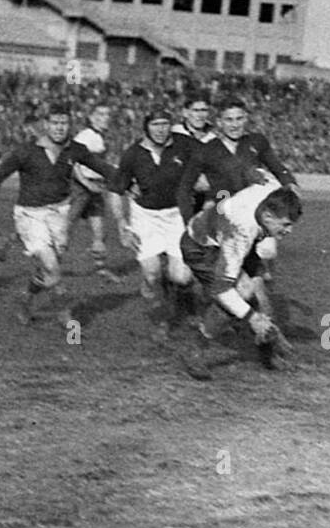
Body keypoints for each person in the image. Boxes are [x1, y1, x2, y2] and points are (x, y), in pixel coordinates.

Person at [0, 105, 118, 328]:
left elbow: (102, 167)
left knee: (50, 267)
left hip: (60, 214)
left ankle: (25, 298)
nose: (59, 128)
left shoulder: (75, 149)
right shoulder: (26, 151)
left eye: (63, 123)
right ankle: (66, 315)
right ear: (46, 125)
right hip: (30, 215)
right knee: (53, 267)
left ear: (69, 125)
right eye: (55, 123)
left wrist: (128, 183)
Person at [178, 175, 301, 380]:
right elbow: (221, 289)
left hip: (229, 234)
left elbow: (253, 172)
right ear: (269, 216)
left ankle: (266, 349)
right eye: (286, 224)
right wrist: (252, 318)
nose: (289, 230)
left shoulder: (271, 190)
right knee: (240, 293)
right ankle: (195, 349)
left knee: (258, 290)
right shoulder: (240, 232)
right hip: (201, 247)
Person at [109, 108, 199, 341]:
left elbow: (209, 165)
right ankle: (162, 321)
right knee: (151, 273)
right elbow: (116, 190)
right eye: (155, 124)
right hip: (144, 216)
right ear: (146, 127)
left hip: (175, 215)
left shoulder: (185, 145)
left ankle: (180, 295)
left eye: (165, 124)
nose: (161, 129)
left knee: (182, 276)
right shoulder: (133, 154)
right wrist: (122, 225)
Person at [68, 103, 123, 282]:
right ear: (91, 117)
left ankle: (101, 270)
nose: (105, 118)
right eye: (100, 114)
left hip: (95, 188)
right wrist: (85, 183)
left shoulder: (99, 137)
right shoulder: (85, 136)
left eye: (107, 114)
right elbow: (72, 163)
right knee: (63, 230)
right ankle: (45, 268)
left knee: (100, 232)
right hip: (80, 189)